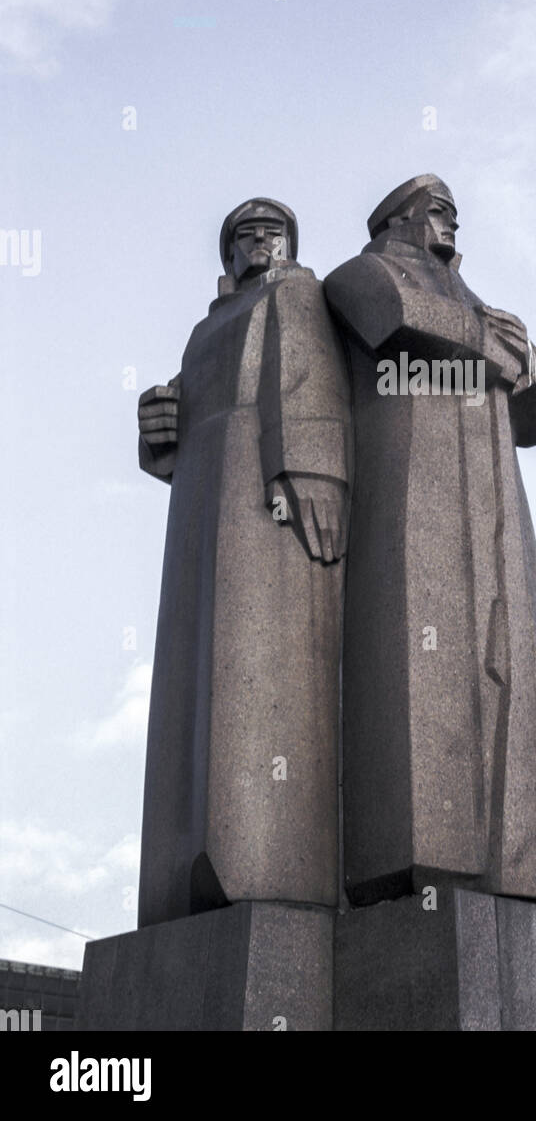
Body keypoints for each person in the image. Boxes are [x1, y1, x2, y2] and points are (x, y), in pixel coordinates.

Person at [324, 174, 536, 907]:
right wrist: (491, 350)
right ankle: (431, 857)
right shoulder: (363, 272)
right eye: (440, 211)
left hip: (496, 502)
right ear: (400, 219)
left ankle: (524, 867)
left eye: (456, 214)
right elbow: (393, 318)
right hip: (412, 488)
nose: (453, 223)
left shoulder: (481, 307)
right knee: (422, 671)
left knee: (509, 667)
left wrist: (520, 358)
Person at [137, 200, 350, 927]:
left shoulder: (296, 291)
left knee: (255, 663)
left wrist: (315, 468)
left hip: (264, 490)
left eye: (273, 232)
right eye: (245, 236)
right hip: (202, 491)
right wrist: (159, 423)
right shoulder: (206, 329)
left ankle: (253, 853)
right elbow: (183, 412)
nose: (260, 243)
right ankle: (189, 867)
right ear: (225, 255)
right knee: (195, 676)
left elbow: (310, 379)